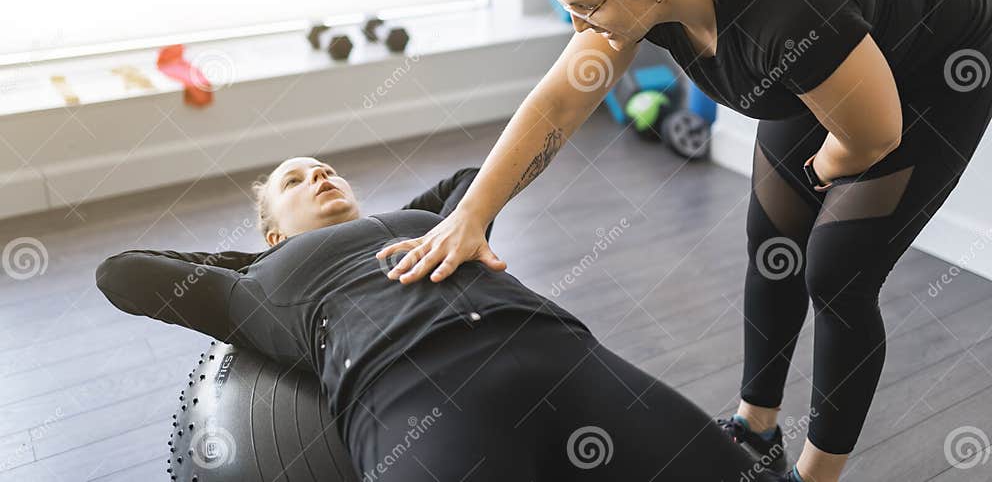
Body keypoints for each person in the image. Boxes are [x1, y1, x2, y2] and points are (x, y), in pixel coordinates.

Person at [373, 0, 992, 482]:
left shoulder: (784, 9)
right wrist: (472, 213)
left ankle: (816, 476)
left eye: (586, 5)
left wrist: (826, 168)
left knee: (836, 274)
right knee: (773, 241)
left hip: (934, 75)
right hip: (830, 66)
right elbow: (558, 105)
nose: (580, 24)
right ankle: (756, 433)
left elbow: (872, 135)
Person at [95, 157, 787, 481]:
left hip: (557, 354)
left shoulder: (421, 222)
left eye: (326, 168)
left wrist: (463, 215)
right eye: (295, 182)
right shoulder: (255, 283)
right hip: (416, 396)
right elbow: (121, 273)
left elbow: (478, 173)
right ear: (271, 232)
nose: (319, 177)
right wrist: (246, 260)